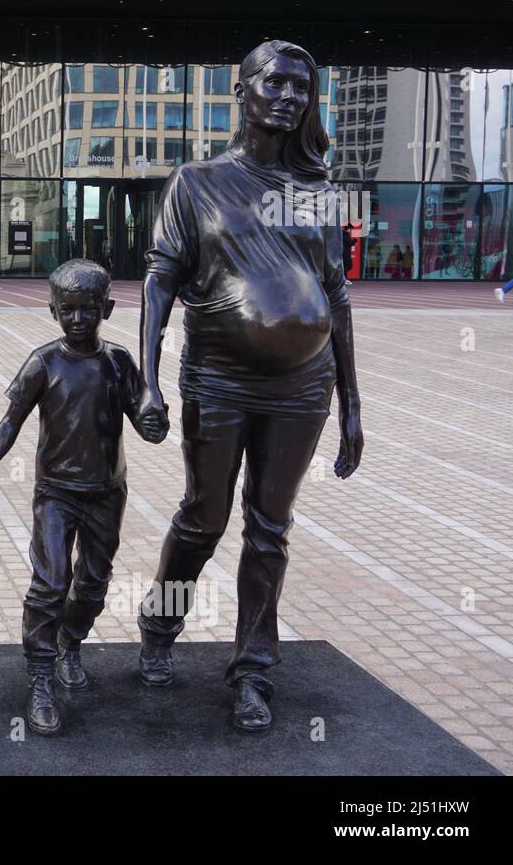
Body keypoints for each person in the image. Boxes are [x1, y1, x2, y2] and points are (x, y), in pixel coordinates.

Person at [133, 40, 362, 731]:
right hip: (219, 380)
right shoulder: (196, 182)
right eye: (278, 82)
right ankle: (161, 622)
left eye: (303, 87)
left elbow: (337, 297)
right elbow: (159, 280)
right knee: (203, 518)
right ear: (243, 90)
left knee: (270, 529)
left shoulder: (319, 192)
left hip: (302, 388)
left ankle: (253, 670)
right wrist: (147, 382)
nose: (291, 97)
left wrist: (353, 405)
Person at [0, 260, 162, 735]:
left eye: (88, 310)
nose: (78, 320)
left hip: (105, 494)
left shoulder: (118, 362)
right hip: (55, 493)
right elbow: (11, 420)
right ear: (53, 310)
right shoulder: (43, 362)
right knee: (50, 583)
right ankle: (39, 676)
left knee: (93, 583)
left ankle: (70, 641)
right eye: (68, 310)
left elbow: (144, 420)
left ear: (107, 309)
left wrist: (156, 417)